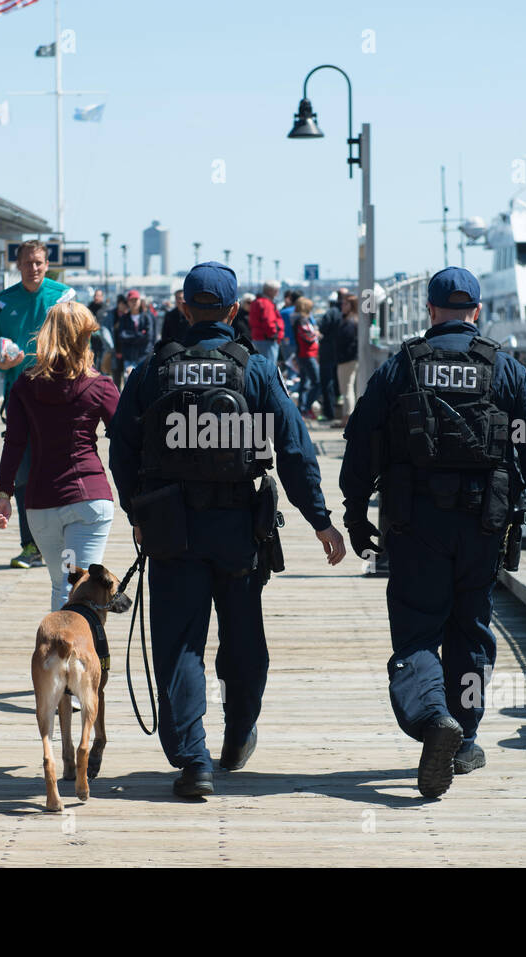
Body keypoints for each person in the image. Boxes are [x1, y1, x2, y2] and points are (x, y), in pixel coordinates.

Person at [339, 266, 526, 799]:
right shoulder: (505, 369)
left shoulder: (400, 366)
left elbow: (360, 439)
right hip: (483, 525)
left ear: (430, 311)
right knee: (471, 629)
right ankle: (465, 735)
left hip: (413, 525)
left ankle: (433, 719)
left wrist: (355, 514)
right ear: (477, 311)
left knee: (416, 631)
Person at [109, 261, 347, 799]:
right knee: (242, 641)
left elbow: (121, 447)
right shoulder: (254, 368)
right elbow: (293, 447)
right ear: (235, 311)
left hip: (171, 527)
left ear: (184, 308)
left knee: (178, 645)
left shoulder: (152, 369)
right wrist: (321, 521)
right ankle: (238, 732)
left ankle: (193, 762)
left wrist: (137, 514)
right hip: (240, 528)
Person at [0, 301, 120, 610]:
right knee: (78, 589)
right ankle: (83, 657)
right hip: (88, 501)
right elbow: (127, 439)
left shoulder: (25, 384)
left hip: (42, 504)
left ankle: (61, 655)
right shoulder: (100, 386)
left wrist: (4, 493)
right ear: (83, 337)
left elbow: (15, 443)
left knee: (64, 584)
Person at [0, 239, 75, 570]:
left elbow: (84, 343)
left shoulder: (64, 298)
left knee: (61, 471)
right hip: (19, 402)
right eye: (27, 263)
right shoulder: (1, 304)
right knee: (22, 475)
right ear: (18, 265)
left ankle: (66, 544)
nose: (33, 268)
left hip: (61, 399)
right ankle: (30, 545)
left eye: (39, 262)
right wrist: (4, 364)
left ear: (47, 263)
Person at [292, 297, 321, 419]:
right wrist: (317, 334)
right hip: (307, 354)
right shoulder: (302, 321)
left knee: (304, 383)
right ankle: (306, 408)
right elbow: (308, 337)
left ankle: (302, 409)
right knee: (317, 382)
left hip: (304, 354)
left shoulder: (298, 320)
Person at [115, 289, 152, 379]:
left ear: (140, 301)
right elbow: (122, 336)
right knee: (129, 385)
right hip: (129, 358)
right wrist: (139, 335)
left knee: (143, 386)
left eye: (136, 300)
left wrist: (131, 336)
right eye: (131, 300)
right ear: (128, 302)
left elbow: (148, 336)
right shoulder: (124, 318)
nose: (134, 302)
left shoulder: (146, 317)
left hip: (143, 357)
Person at [335, 293, 360, 426]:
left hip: (347, 359)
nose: (342, 306)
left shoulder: (350, 322)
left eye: (345, 303)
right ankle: (348, 416)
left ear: (351, 305)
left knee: (347, 389)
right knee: (348, 388)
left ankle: (348, 417)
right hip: (349, 359)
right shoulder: (353, 320)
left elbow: (347, 341)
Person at [317, 289, 343, 420]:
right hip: (342, 353)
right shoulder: (348, 314)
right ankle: (340, 411)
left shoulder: (331, 313)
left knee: (327, 382)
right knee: (341, 383)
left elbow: (322, 328)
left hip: (327, 351)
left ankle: (329, 412)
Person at [247, 282, 283, 364]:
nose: (278, 293)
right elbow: (269, 322)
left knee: (260, 366)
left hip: (258, 337)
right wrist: (275, 336)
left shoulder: (257, 301)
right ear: (271, 291)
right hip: (267, 340)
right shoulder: (266, 303)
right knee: (269, 367)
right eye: (277, 290)